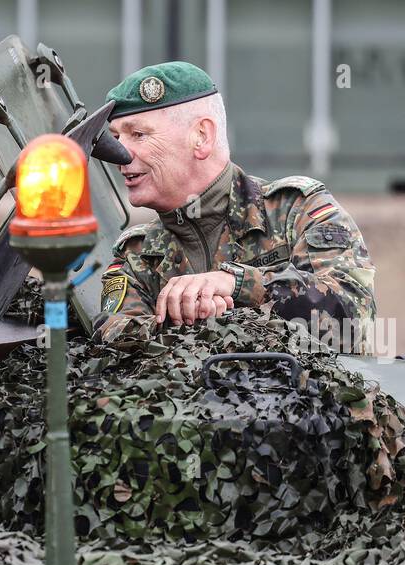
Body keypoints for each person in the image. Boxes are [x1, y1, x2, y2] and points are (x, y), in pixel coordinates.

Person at [96, 61, 376, 350]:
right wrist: (198, 321)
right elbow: (113, 343)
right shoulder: (137, 254)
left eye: (138, 135)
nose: (120, 154)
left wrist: (239, 284)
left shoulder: (296, 210)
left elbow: (353, 319)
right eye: (116, 137)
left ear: (201, 137)